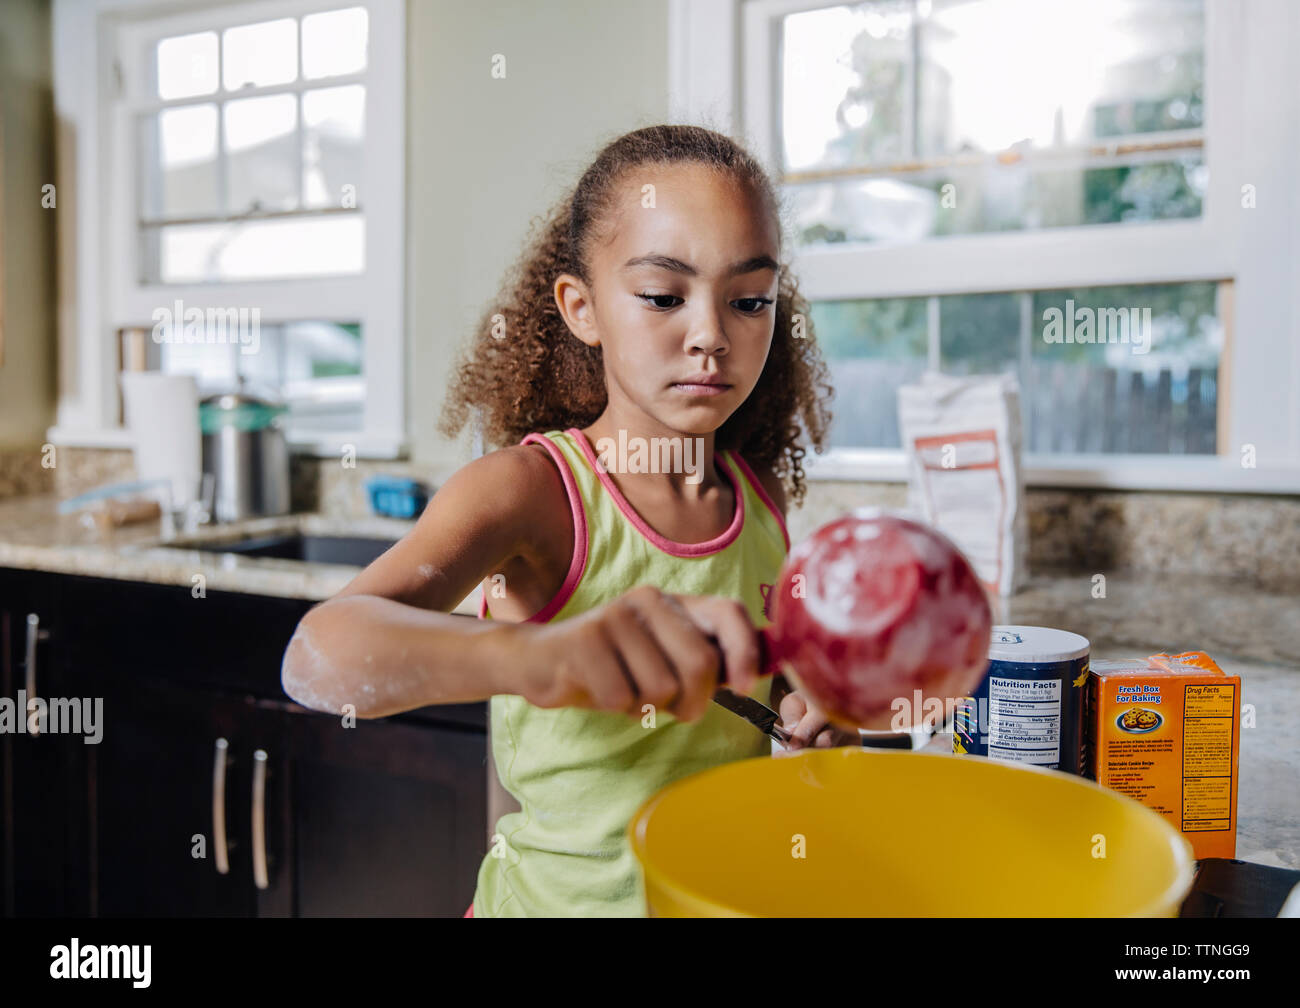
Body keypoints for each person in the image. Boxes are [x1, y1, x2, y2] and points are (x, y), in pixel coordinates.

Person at [281, 123, 857, 918]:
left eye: (749, 300)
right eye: (662, 296)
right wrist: (538, 654)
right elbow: (320, 655)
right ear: (581, 309)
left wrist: (809, 722)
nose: (710, 336)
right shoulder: (529, 493)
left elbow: (764, 698)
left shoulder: (762, 499)